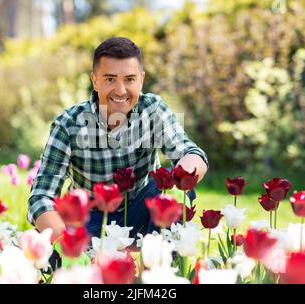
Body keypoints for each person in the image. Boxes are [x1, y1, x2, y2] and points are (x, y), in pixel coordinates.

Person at [27, 37, 209, 268]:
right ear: (95, 81)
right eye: (110, 79)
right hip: (91, 220)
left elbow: (190, 152)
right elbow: (41, 196)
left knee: (175, 188)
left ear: (141, 80)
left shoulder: (153, 109)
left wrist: (186, 174)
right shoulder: (68, 124)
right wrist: (73, 246)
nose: (121, 90)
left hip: (143, 213)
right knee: (48, 231)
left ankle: (155, 268)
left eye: (130, 79)